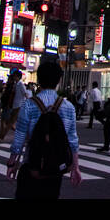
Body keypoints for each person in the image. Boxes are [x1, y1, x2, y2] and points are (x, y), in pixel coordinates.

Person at [7, 61, 80, 200]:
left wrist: (12, 162)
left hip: (31, 164)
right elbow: (73, 140)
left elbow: (20, 137)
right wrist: (75, 167)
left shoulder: (29, 105)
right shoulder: (68, 107)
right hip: (55, 168)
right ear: (59, 80)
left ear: (39, 80)